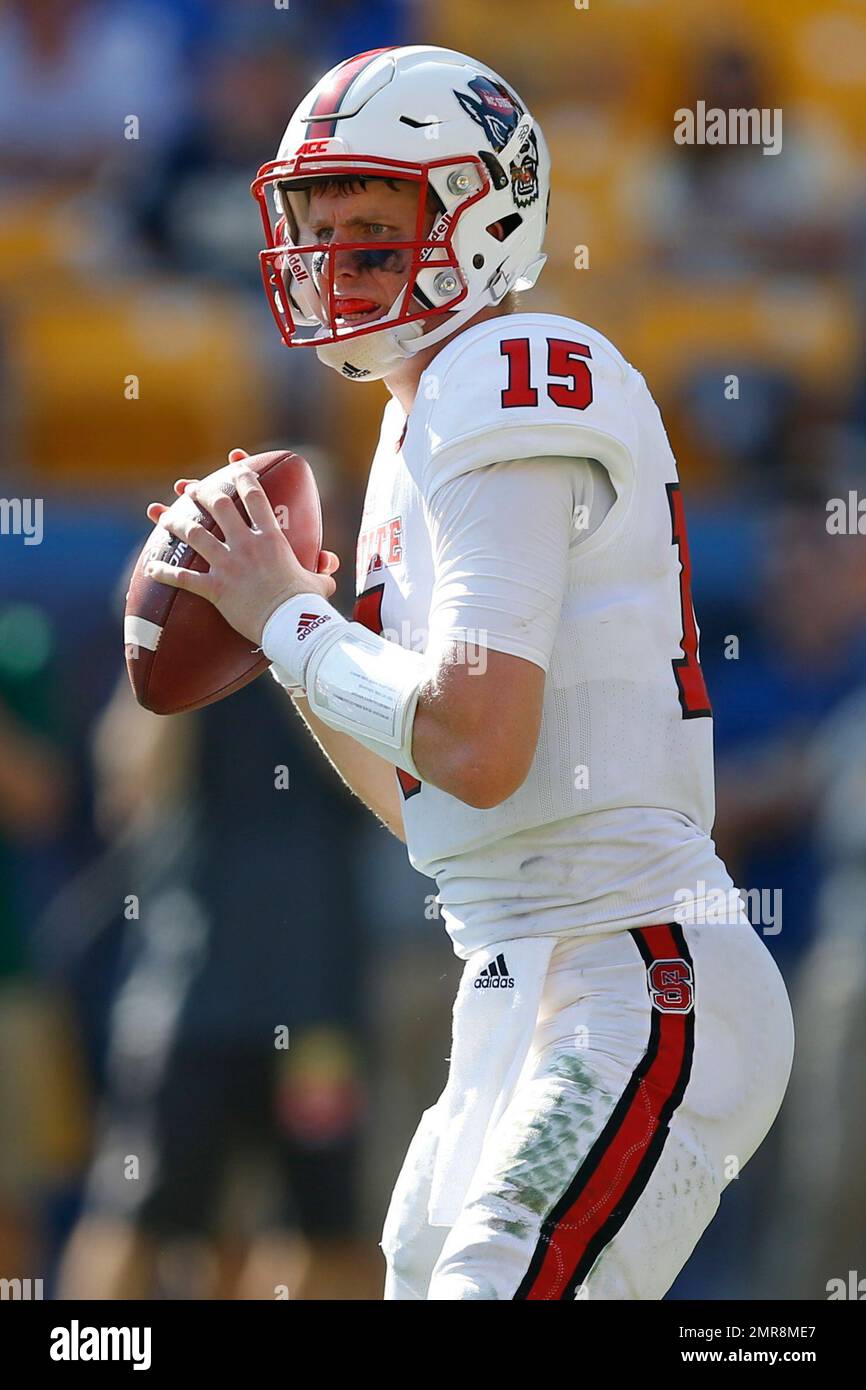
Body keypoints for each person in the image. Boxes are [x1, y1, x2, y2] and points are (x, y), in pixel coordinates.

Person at [143, 45, 794, 1301]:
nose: (333, 261)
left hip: (633, 962)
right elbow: (435, 803)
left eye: (373, 230)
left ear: (482, 218)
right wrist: (297, 635)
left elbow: (477, 743)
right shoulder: (417, 418)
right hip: (509, 980)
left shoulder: (504, 372)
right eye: (315, 225)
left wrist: (287, 624)